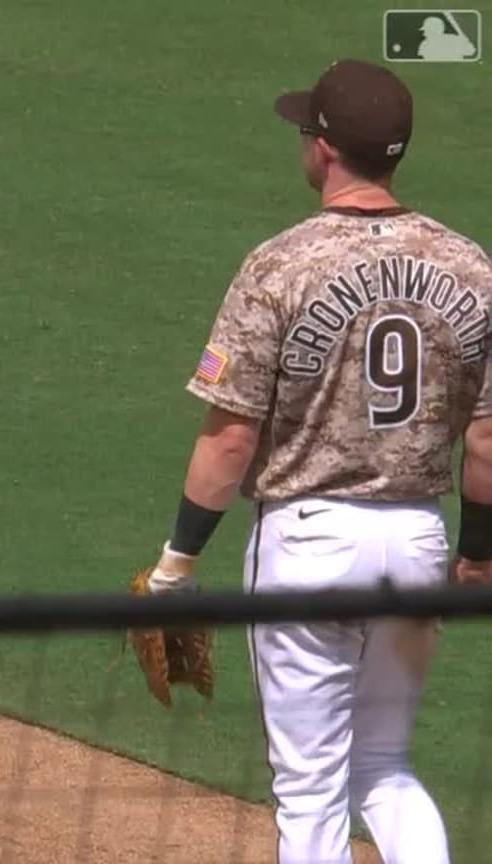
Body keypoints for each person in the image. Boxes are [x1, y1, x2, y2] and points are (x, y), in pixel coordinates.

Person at [138, 58, 492, 864]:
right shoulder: (472, 267)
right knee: (388, 768)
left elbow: (230, 439)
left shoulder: (281, 264)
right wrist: (477, 555)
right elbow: (486, 441)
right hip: (415, 543)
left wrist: (176, 564)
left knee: (310, 787)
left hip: (308, 547)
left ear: (323, 150)